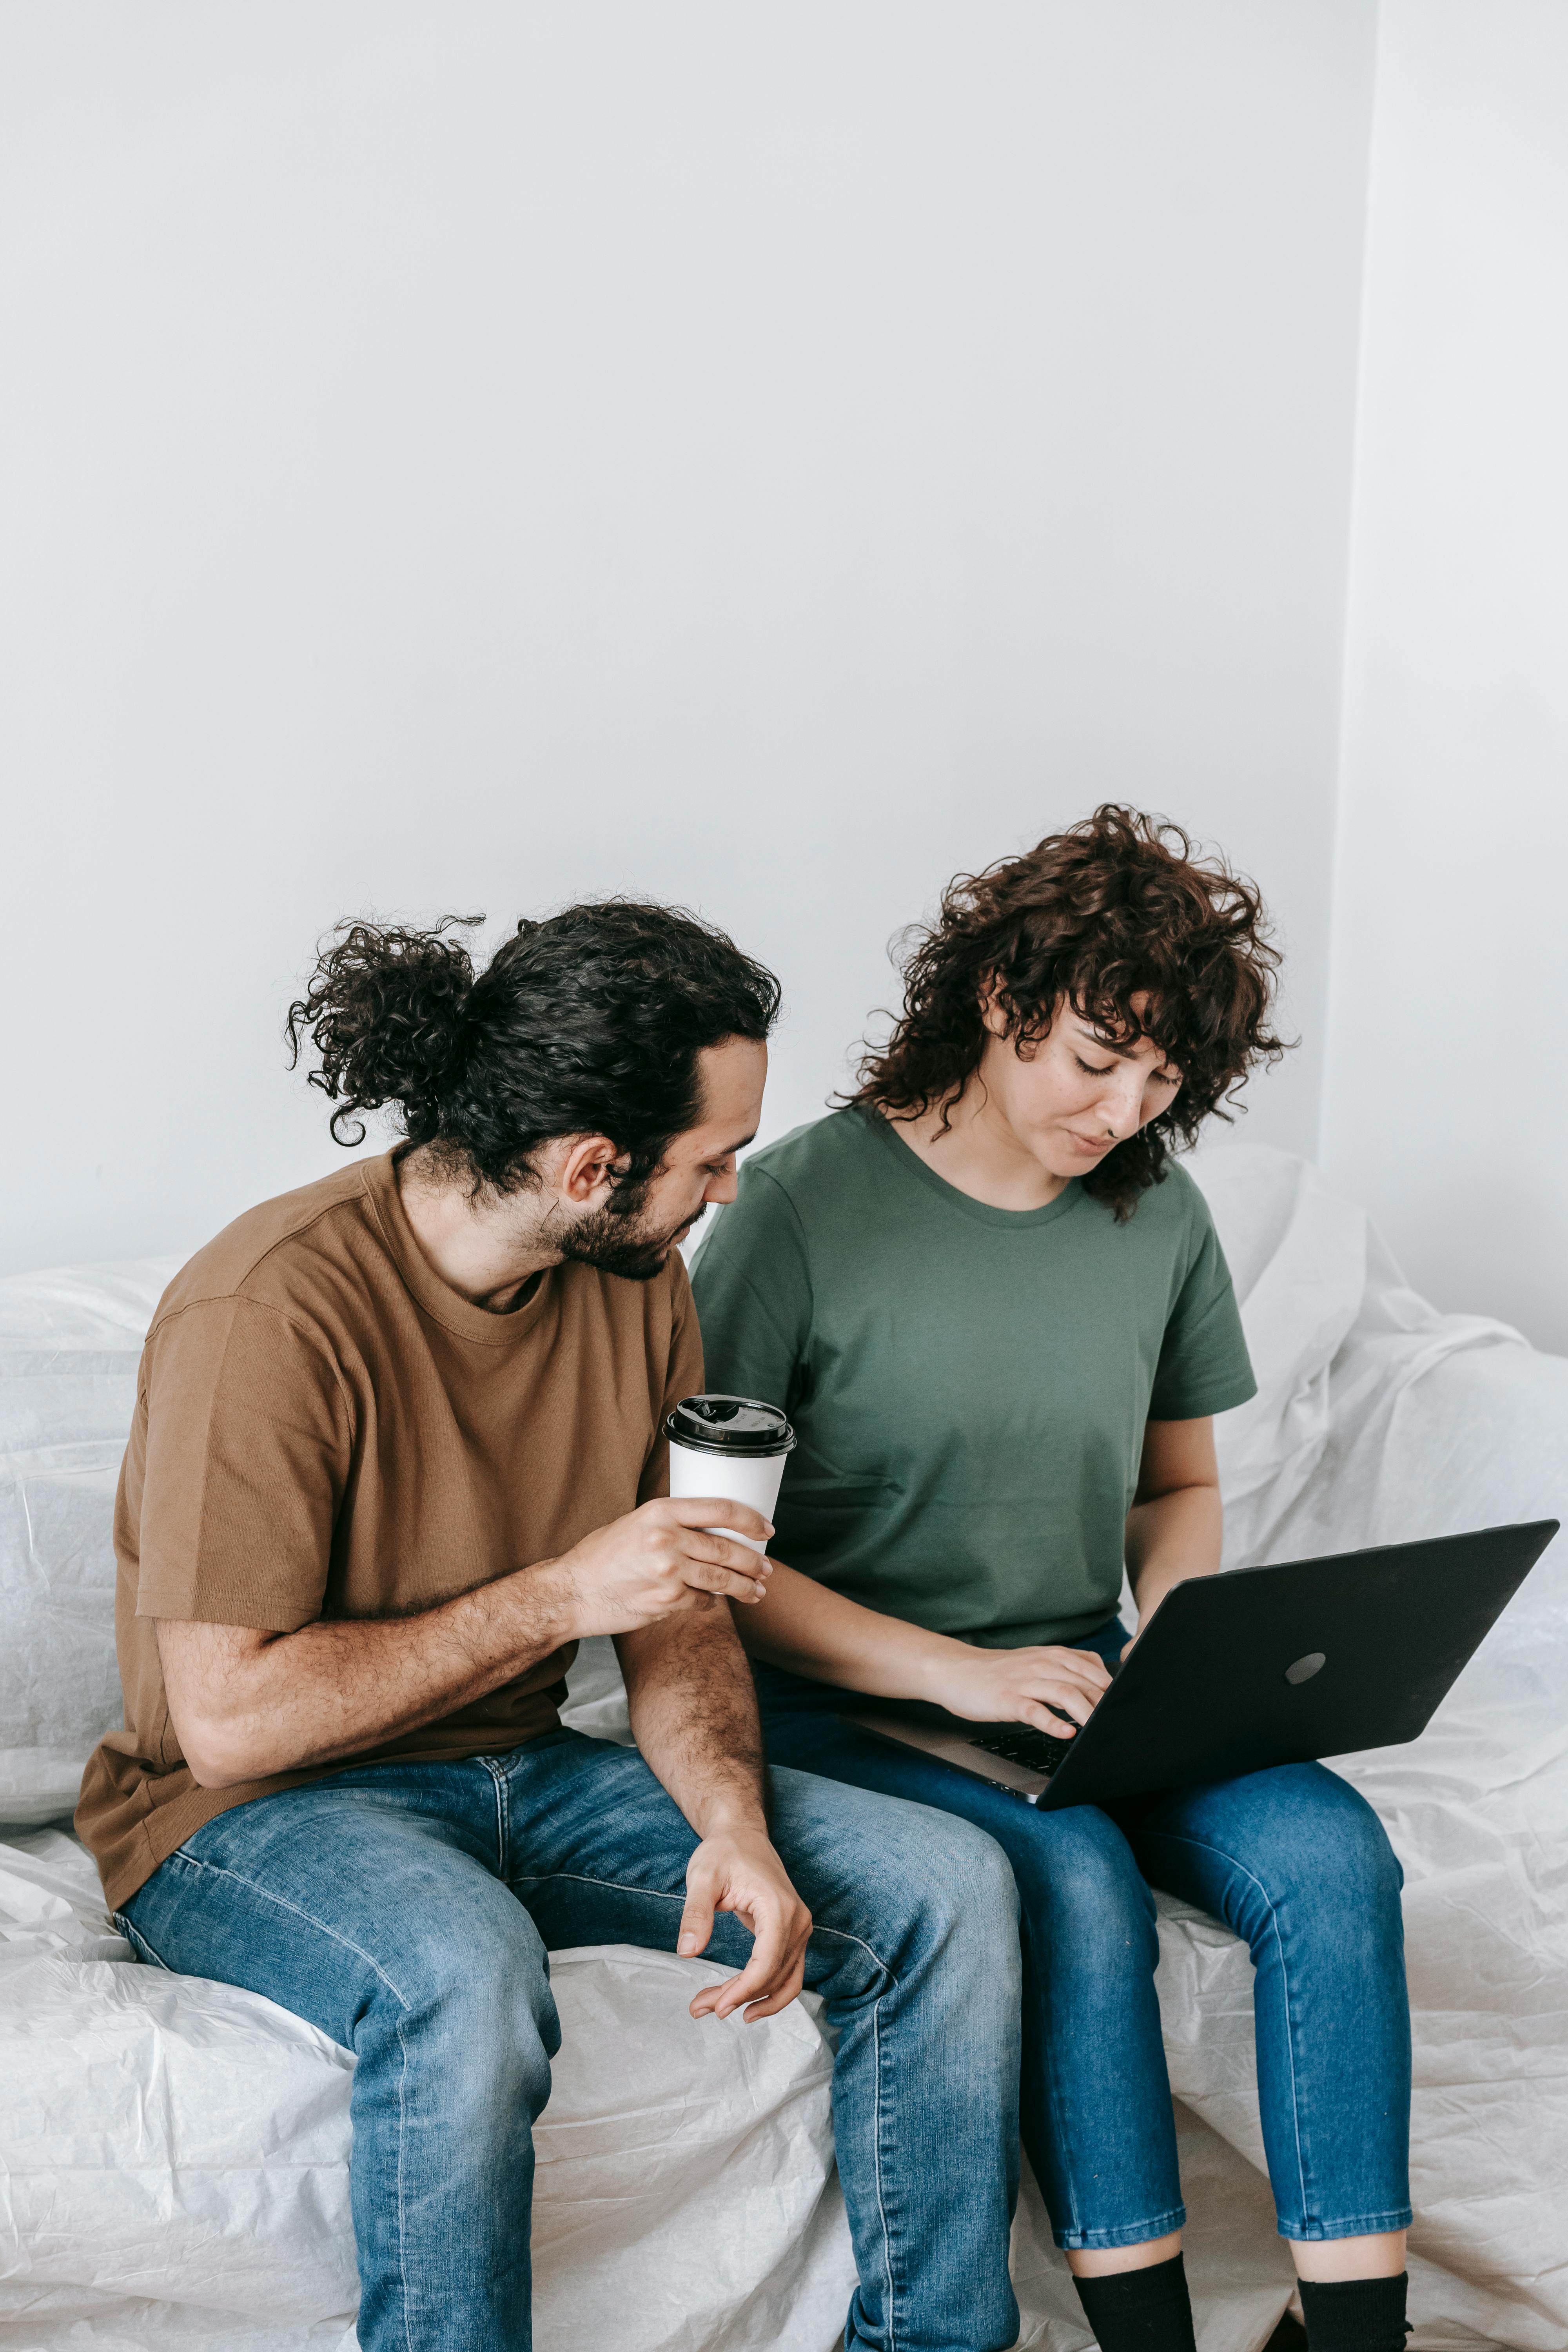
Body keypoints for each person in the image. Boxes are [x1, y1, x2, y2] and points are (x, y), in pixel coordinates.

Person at [77, 900, 1026, 2352]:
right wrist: (558, 1595)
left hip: (523, 1774)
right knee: (465, 1970)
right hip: (242, 1815)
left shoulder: (636, 1283)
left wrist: (732, 1820)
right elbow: (231, 1719)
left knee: (946, 1885)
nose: (723, 1195)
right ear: (597, 1164)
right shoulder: (267, 1310)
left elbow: (678, 1610)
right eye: (712, 1164)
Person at [691, 809, 1414, 2352]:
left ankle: (1359, 2337)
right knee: (1079, 1881)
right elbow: (712, 1557)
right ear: (998, 997)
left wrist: (1171, 1632)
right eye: (1098, 1058)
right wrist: (954, 1672)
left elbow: (1178, 1487)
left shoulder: (1154, 1216)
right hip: (854, 1700)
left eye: (1163, 1080)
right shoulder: (799, 1208)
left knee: (1335, 1862)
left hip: (1085, 1675)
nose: (1124, 1106)